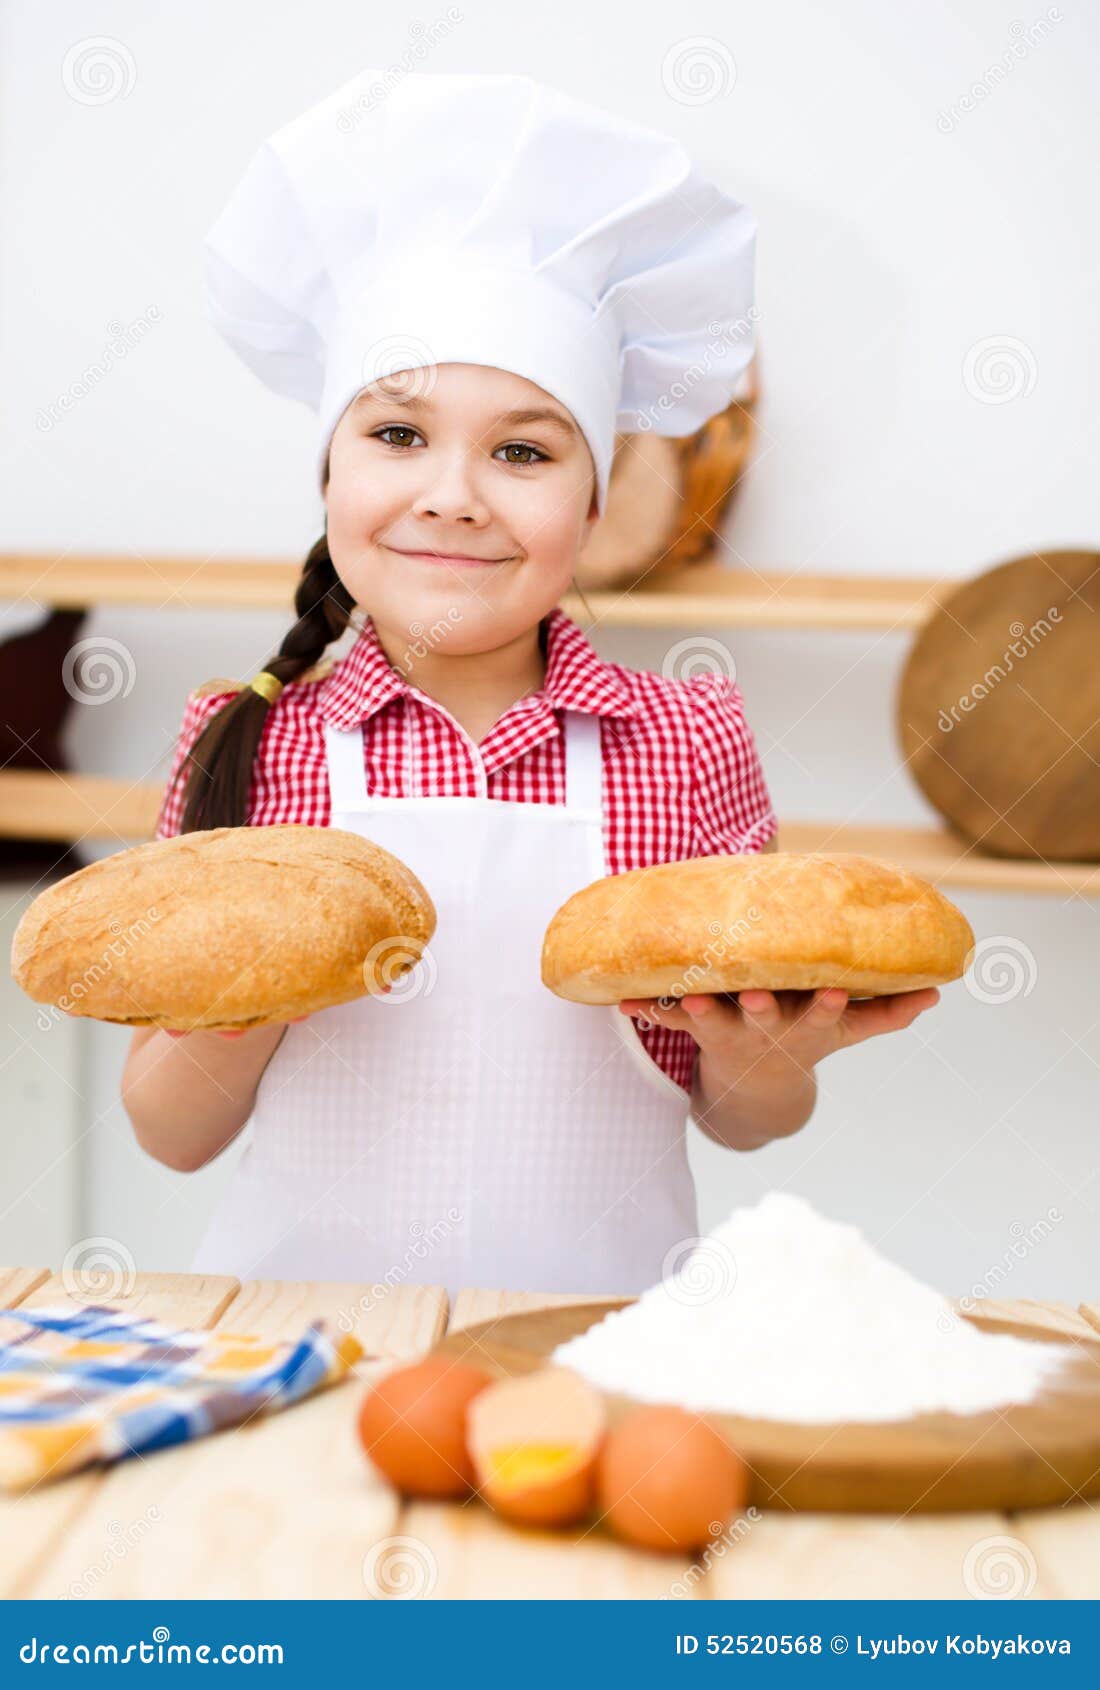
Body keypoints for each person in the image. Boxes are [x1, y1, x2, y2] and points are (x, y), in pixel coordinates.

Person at [121, 69, 939, 1297]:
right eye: (396, 434)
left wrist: (769, 1049)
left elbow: (747, 1120)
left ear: (595, 504)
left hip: (596, 1343)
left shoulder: (686, 736)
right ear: (329, 472)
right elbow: (170, 1134)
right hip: (299, 1347)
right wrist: (243, 1006)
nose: (453, 492)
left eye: (521, 450)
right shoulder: (251, 741)